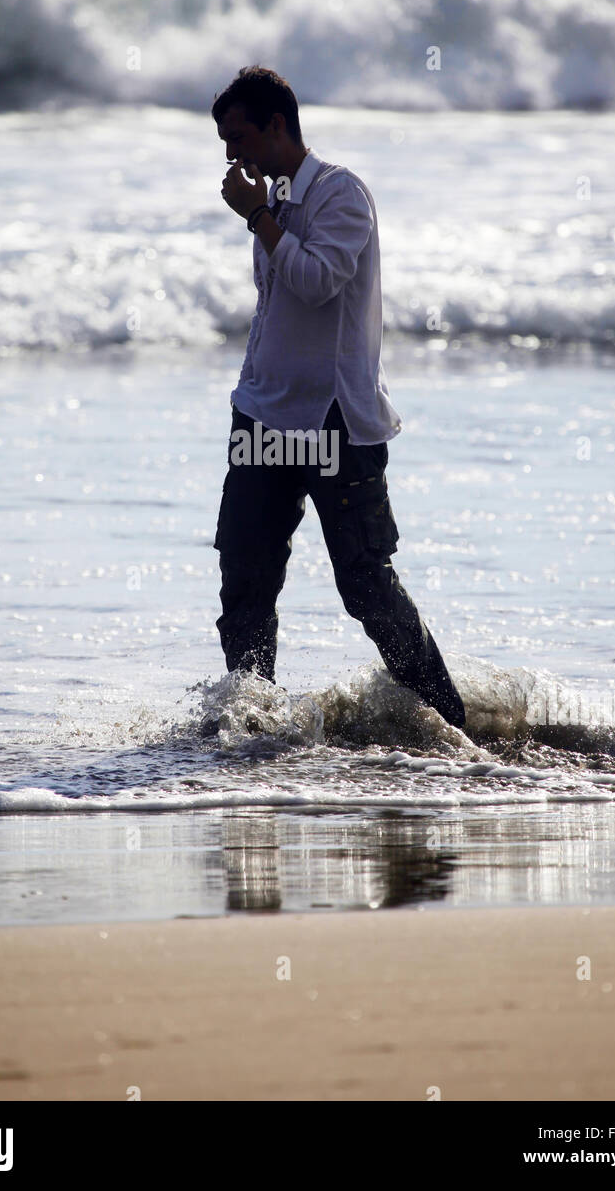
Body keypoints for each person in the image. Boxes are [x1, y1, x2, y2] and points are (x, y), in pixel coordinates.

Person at [211, 65, 465, 730]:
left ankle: (451, 723)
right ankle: (253, 727)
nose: (231, 155)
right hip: (263, 414)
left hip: (334, 422)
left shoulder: (339, 194)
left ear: (276, 125)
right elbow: (273, 312)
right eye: (222, 142)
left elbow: (318, 282)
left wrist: (260, 216)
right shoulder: (278, 202)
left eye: (238, 137)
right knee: (245, 582)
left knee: (365, 585)